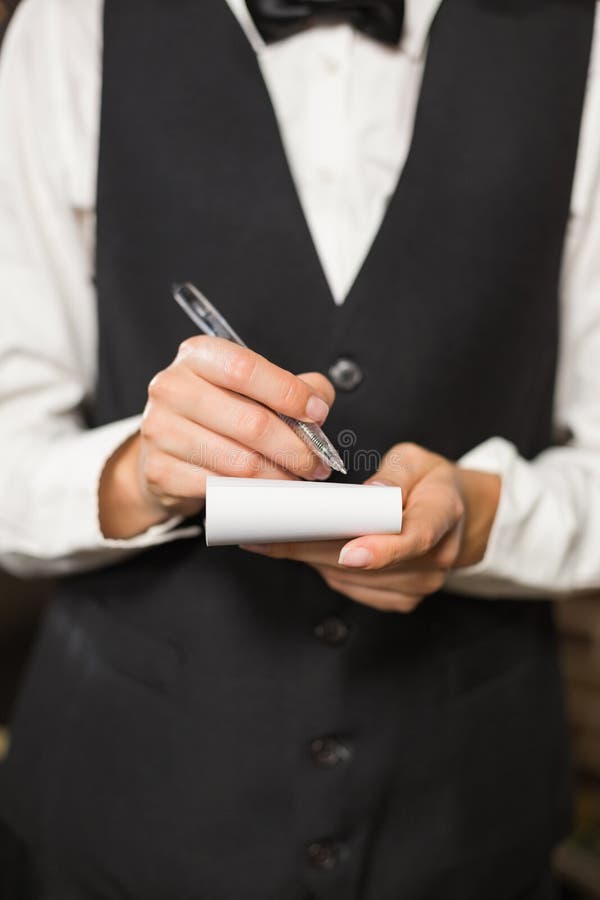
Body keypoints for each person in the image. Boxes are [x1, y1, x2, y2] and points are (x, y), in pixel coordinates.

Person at [0, 0, 599, 896]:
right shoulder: (70, 20)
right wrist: (142, 475)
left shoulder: (583, 33)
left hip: (469, 821)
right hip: (120, 815)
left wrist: (481, 517)